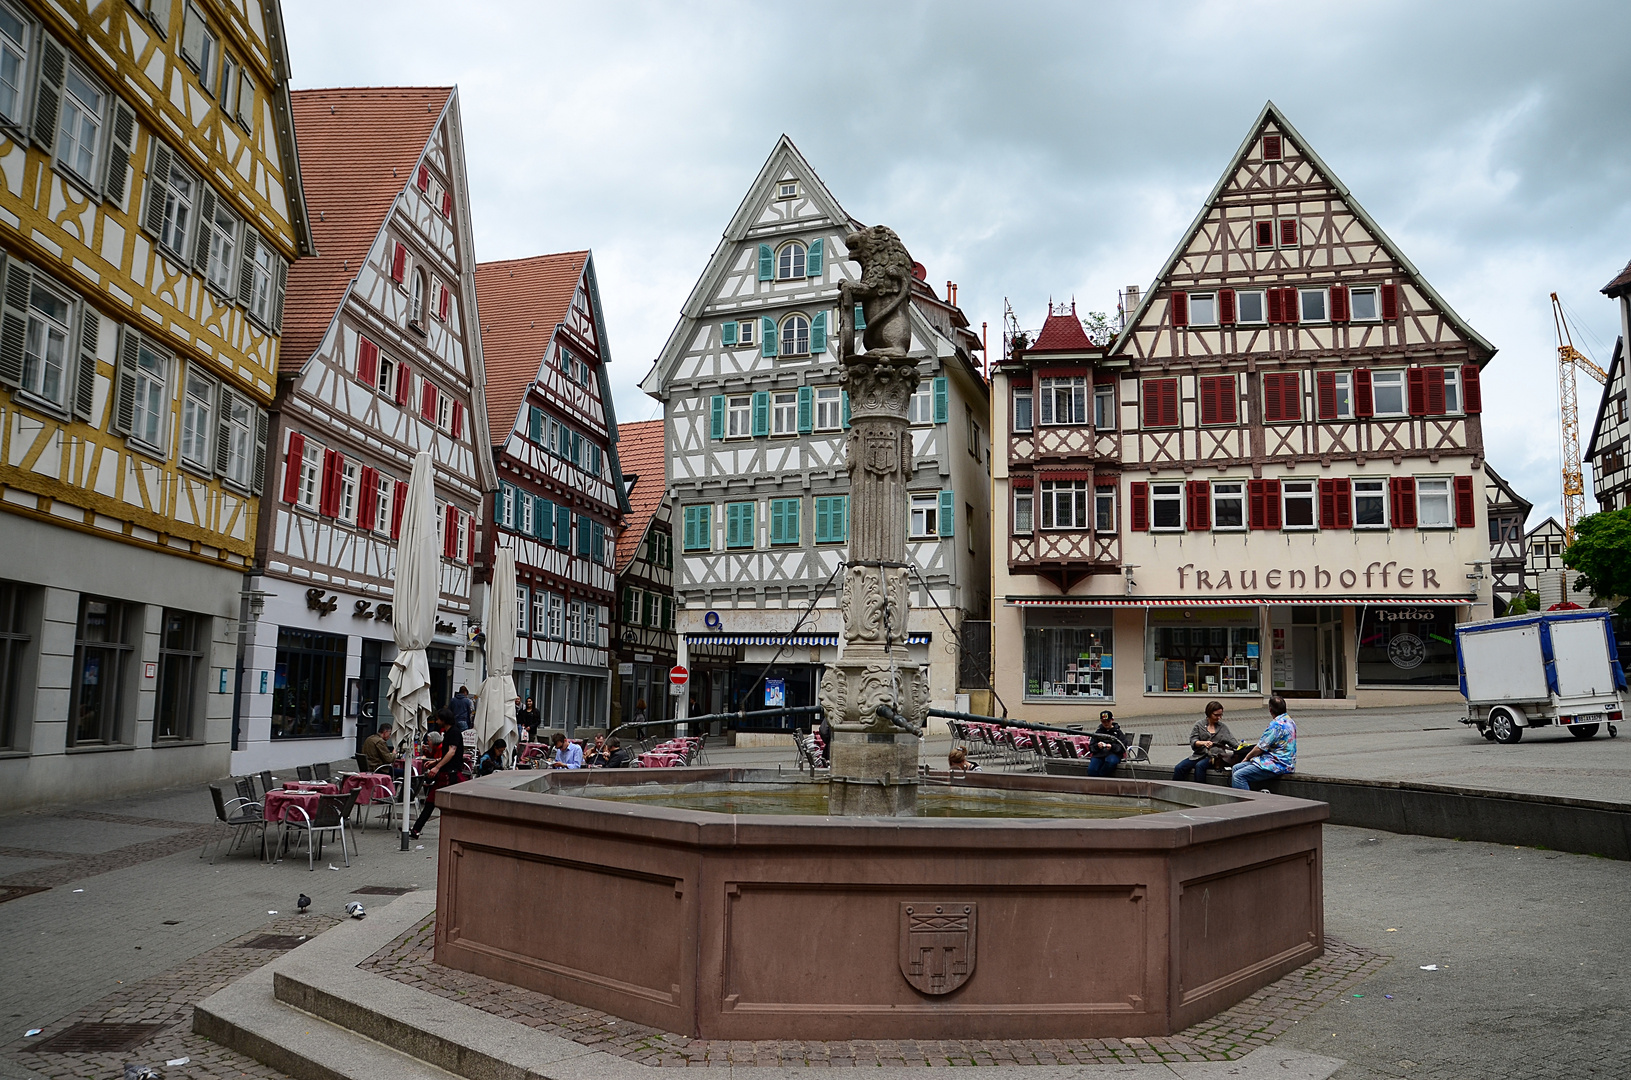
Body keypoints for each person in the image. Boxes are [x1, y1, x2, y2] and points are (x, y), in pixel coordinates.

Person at [409, 728, 469, 839]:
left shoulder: (452, 735)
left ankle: (417, 829)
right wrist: (435, 762)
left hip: (449, 775)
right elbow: (446, 755)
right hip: (447, 775)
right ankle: (416, 829)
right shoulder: (449, 735)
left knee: (433, 802)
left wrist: (436, 766)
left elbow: (450, 753)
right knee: (431, 802)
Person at [1231, 695, 1298, 790]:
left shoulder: (1276, 725)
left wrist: (1246, 758)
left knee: (1239, 776)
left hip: (1277, 764)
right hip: (1283, 762)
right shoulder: (1290, 721)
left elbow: (1260, 747)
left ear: (1270, 710)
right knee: (1236, 768)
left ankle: (1246, 803)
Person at [1173, 701, 1236, 785]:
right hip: (1198, 755)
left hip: (1215, 758)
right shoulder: (1199, 725)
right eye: (1216, 715)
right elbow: (1193, 741)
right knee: (1179, 767)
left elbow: (1233, 742)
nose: (1219, 718)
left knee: (1200, 766)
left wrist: (1244, 748)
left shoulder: (1223, 728)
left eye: (1220, 715)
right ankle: (1176, 788)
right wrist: (1203, 743)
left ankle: (1200, 790)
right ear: (1209, 713)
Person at [1086, 709, 1125, 777]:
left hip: (1113, 754)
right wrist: (1097, 746)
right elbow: (1091, 747)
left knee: (1110, 762)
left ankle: (1101, 777)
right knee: (1091, 770)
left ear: (1112, 720)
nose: (1106, 723)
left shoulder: (1118, 733)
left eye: (1108, 721)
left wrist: (1112, 747)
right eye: (1104, 722)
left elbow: (1122, 747)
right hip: (1099, 755)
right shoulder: (1098, 732)